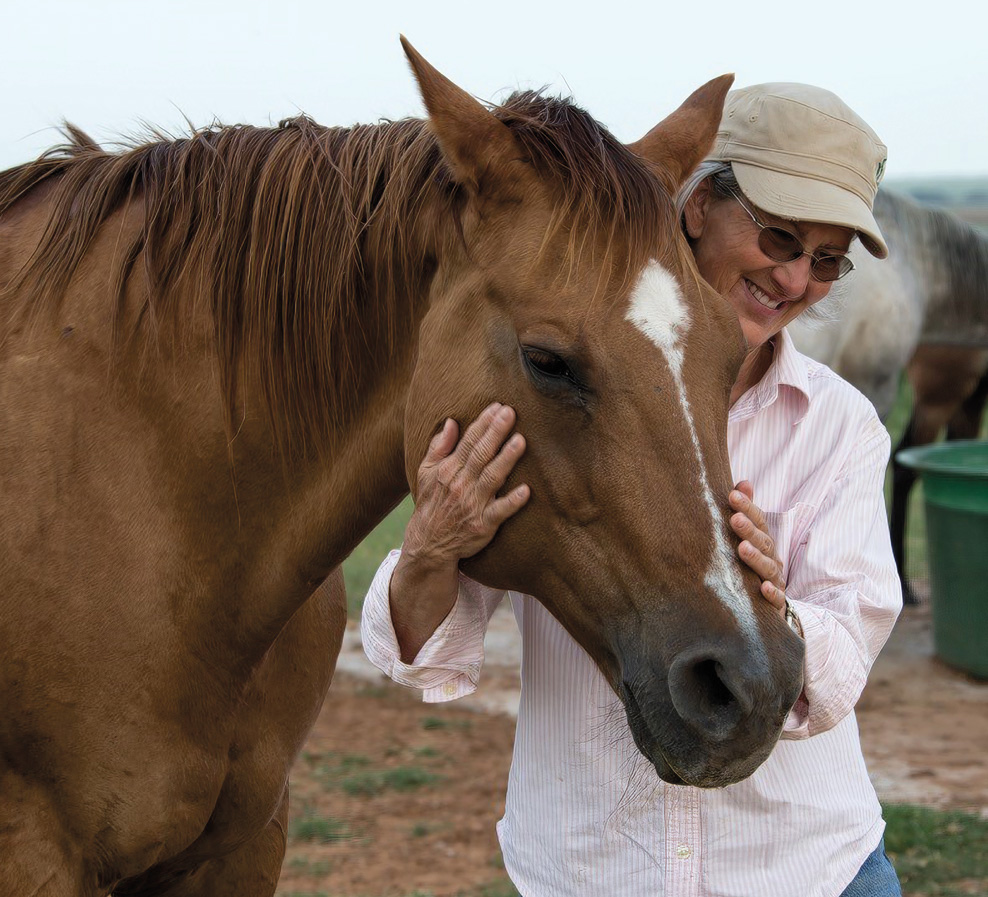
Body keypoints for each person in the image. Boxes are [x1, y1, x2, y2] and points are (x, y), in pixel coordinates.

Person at [361, 83, 904, 897]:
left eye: (826, 261)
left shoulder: (837, 424)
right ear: (697, 206)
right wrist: (430, 548)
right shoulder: (554, 382)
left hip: (806, 870)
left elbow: (845, 658)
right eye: (779, 237)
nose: (794, 279)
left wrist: (776, 611)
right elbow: (429, 657)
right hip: (595, 870)